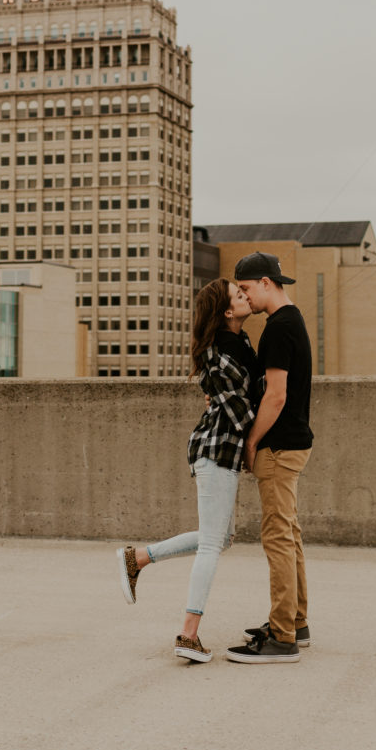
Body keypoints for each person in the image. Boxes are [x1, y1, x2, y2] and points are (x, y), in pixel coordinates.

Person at [117, 278, 259, 663]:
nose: (246, 296)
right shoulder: (219, 352)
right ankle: (188, 633)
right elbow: (240, 410)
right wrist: (269, 433)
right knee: (213, 544)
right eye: (239, 294)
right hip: (215, 450)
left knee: (220, 539)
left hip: (223, 453)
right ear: (227, 310)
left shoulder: (240, 343)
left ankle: (139, 558)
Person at [225, 252, 314, 665]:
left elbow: (275, 396)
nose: (244, 296)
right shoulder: (290, 320)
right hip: (293, 442)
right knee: (289, 535)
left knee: (277, 538)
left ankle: (282, 638)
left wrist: (251, 442)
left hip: (278, 446)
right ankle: (295, 622)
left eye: (244, 289)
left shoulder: (279, 327)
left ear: (265, 282)